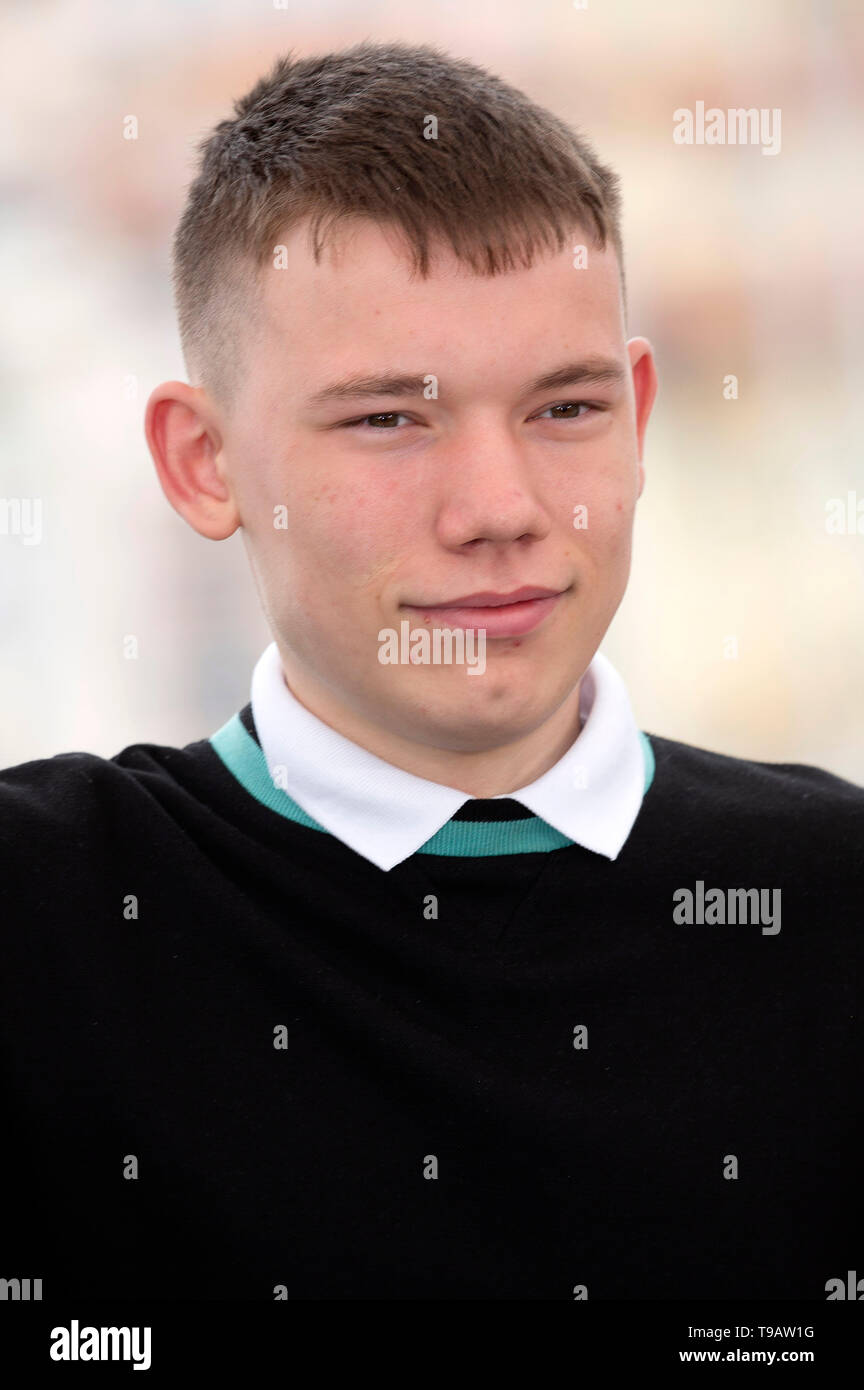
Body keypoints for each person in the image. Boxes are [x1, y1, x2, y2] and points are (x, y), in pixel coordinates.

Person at [1, 41, 860, 1303]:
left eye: (565, 409)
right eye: (389, 419)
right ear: (204, 462)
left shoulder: (835, 910)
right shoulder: (39, 922)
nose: (501, 508)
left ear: (638, 420)